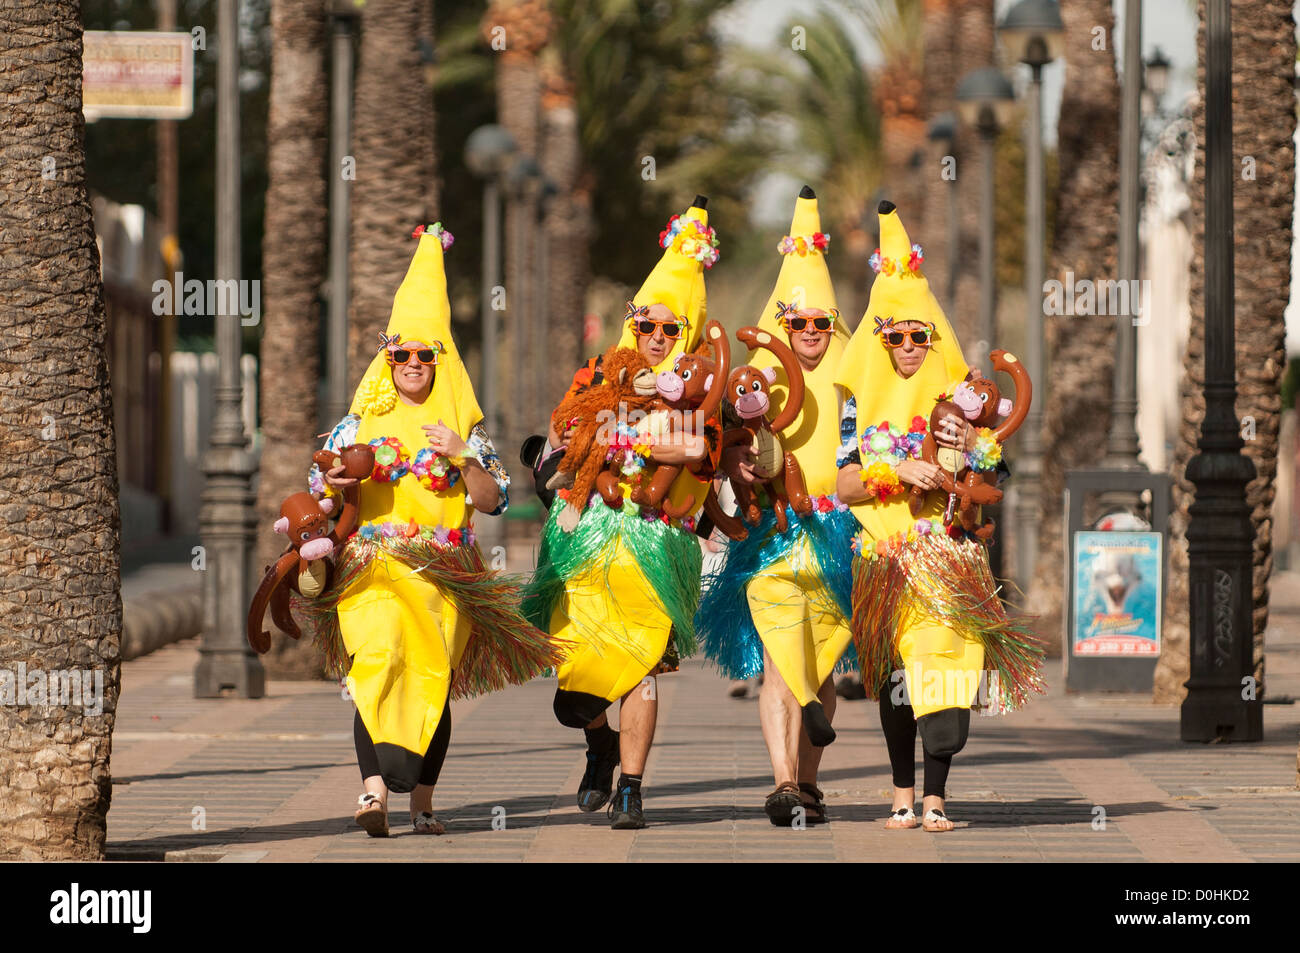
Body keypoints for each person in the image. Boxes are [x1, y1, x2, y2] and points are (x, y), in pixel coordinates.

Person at [301, 223, 561, 837]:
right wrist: (334, 484)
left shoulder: (464, 430)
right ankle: (373, 796)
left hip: (446, 574)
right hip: (374, 565)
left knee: (431, 677)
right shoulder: (359, 423)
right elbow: (321, 488)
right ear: (386, 360)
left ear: (439, 363)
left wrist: (463, 456)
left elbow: (494, 501)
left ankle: (421, 802)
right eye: (402, 356)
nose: (413, 365)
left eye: (424, 356)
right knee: (378, 659)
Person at [834, 201, 1044, 832]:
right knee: (897, 677)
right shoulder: (859, 412)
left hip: (949, 560)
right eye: (892, 336)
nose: (905, 347)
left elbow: (993, 478)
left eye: (916, 336)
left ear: (933, 339)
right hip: (885, 561)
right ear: (878, 341)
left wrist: (968, 474)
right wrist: (894, 472)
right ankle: (902, 792)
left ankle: (936, 798)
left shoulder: (966, 407)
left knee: (947, 660)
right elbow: (843, 485)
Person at [523, 198, 721, 830]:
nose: (657, 340)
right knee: (575, 679)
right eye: (645, 327)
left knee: (642, 667)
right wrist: (577, 447)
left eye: (670, 331)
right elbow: (561, 437)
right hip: (583, 541)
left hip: (655, 544)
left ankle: (631, 785)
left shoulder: (704, 390)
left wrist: (620, 439)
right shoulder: (597, 376)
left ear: (686, 335)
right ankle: (598, 742)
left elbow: (697, 449)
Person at [697, 186, 858, 826]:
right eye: (799, 325)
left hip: (838, 535)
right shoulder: (753, 385)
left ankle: (811, 783)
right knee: (775, 664)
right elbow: (718, 445)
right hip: (770, 535)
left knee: (819, 665)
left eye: (822, 324)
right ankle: (784, 783)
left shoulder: (854, 382)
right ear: (782, 327)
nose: (812, 335)